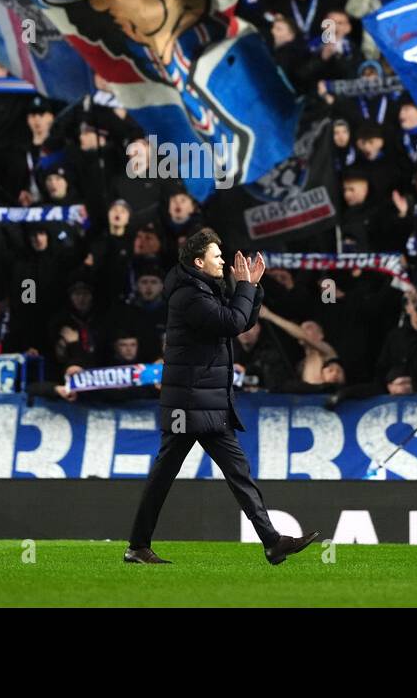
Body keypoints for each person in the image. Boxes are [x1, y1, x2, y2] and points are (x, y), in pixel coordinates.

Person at [125, 228, 319, 565]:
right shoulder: (190, 296)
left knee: (216, 472)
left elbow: (242, 321)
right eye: (217, 256)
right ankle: (138, 546)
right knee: (187, 475)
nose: (223, 261)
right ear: (199, 261)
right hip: (192, 403)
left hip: (203, 402)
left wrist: (253, 288)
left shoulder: (203, 289)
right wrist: (244, 288)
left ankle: (271, 542)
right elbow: (231, 322)